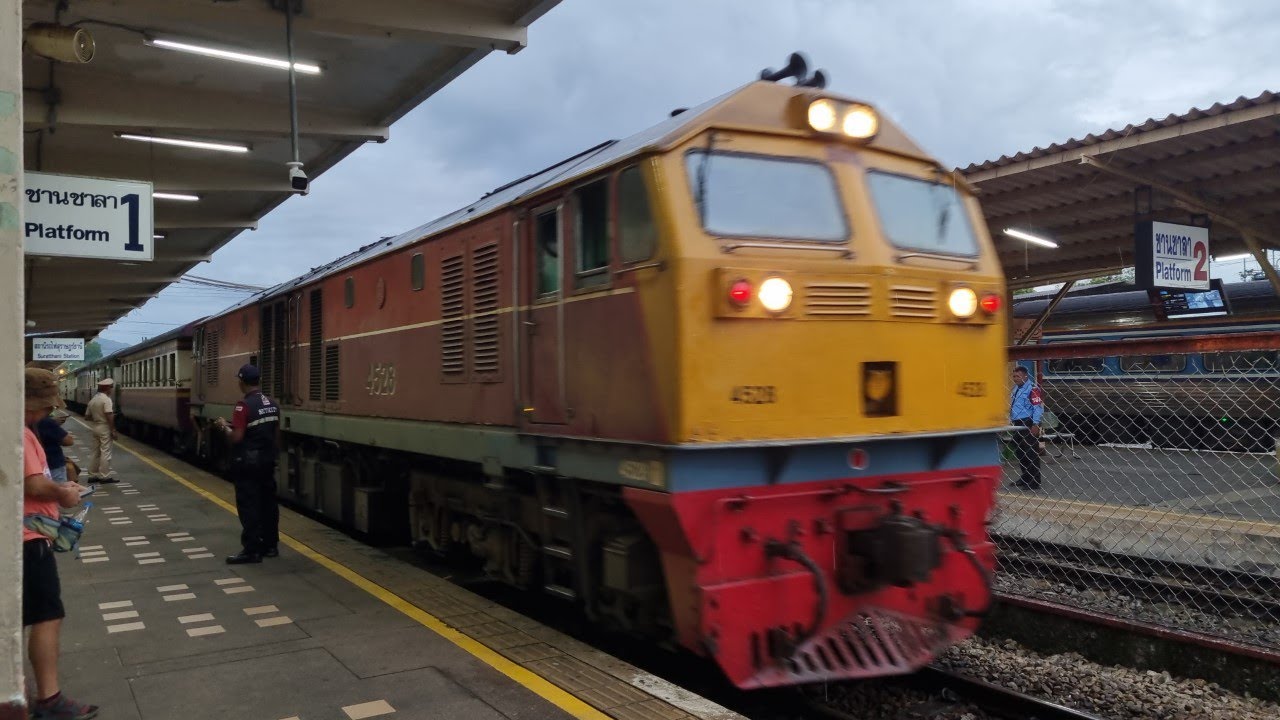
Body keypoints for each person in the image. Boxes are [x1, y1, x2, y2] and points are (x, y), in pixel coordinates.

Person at [23, 368, 99, 719]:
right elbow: (34, 486)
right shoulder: (19, 434)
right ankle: (49, 700)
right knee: (48, 614)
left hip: (27, 535)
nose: (45, 413)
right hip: (28, 538)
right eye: (42, 407)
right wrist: (65, 493)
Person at [214, 364, 281, 564]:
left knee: (249, 506)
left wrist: (223, 428)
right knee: (269, 504)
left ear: (242, 382)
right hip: (267, 462)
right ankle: (271, 546)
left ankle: (252, 549)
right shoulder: (272, 403)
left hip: (248, 464)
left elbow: (237, 437)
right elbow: (277, 436)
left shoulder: (243, 406)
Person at [1009, 366, 1044, 490]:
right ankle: (1025, 477)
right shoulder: (1016, 389)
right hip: (1018, 423)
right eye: (1014, 376)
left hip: (1028, 423)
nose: (1015, 379)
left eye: (1018, 376)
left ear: (1025, 376)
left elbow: (1038, 408)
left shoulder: (1032, 389)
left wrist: (1035, 424)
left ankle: (1034, 481)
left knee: (1030, 453)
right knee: (1021, 452)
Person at [82, 378, 117, 483]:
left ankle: (92, 475)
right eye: (111, 387)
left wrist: (97, 418)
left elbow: (87, 416)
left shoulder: (93, 400)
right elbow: (109, 414)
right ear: (106, 388)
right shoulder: (106, 399)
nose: (111, 389)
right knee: (105, 452)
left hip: (95, 427)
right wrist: (113, 429)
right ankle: (104, 476)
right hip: (104, 427)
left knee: (95, 452)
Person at [35, 409, 75, 483]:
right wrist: (54, 424)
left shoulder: (30, 422)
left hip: (38, 465)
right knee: (60, 490)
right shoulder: (47, 422)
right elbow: (69, 441)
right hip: (53, 463)